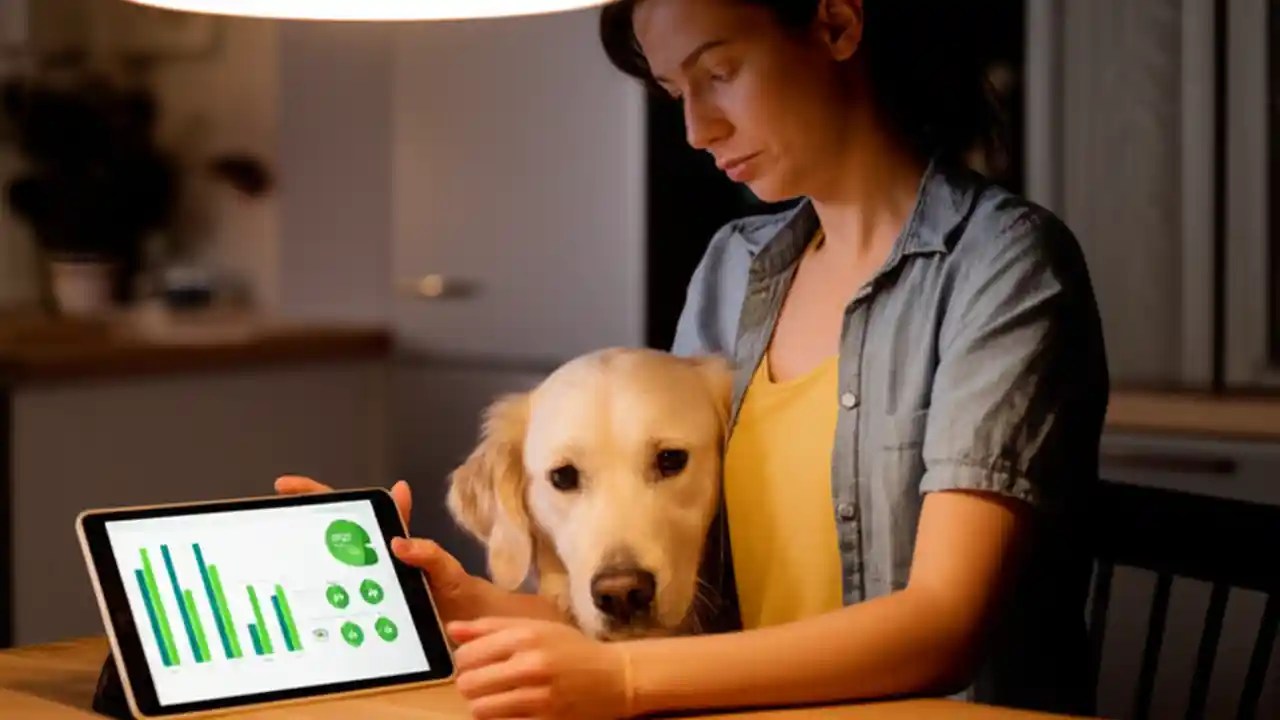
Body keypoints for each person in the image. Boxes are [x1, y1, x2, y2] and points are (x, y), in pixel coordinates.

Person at [278, 0, 1110, 717]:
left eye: (719, 74)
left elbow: (942, 626)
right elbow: (671, 607)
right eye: (676, 93)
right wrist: (462, 604)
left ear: (836, 21)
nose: (696, 128)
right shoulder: (736, 269)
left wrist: (627, 681)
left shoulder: (1002, 266)